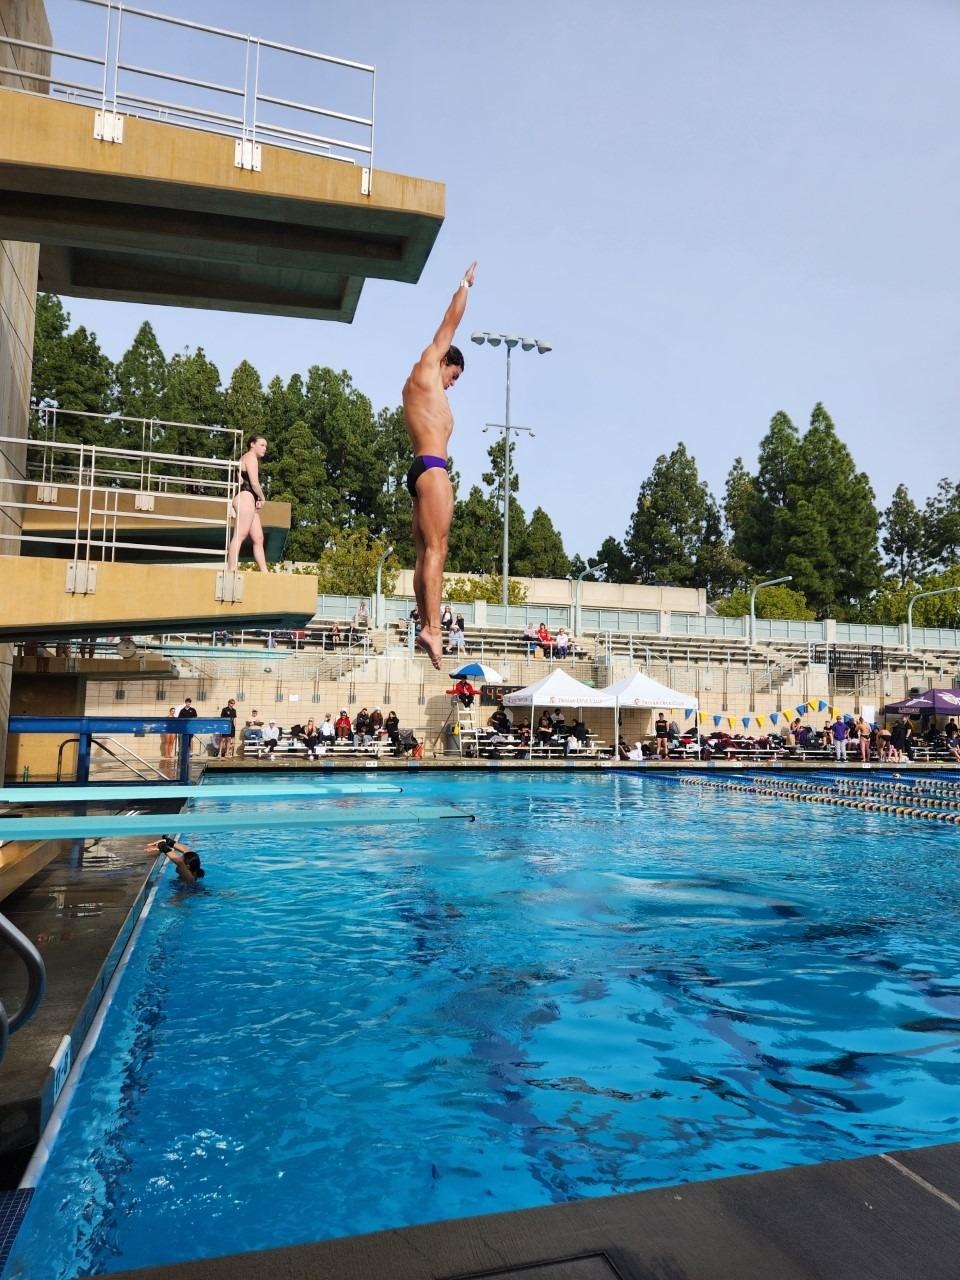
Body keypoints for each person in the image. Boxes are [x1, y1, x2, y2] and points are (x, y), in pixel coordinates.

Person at [402, 259, 477, 668]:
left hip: (418, 470)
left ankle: (425, 623)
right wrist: (464, 286)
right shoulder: (430, 365)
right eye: (456, 375)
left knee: (424, 553)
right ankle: (432, 627)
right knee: (438, 549)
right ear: (446, 361)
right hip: (432, 469)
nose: (453, 382)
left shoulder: (416, 387)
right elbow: (450, 322)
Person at [227, 434, 268, 572]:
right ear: (252, 444)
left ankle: (265, 571)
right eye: (262, 445)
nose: (264, 449)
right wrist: (262, 498)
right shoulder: (250, 458)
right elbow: (255, 483)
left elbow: (241, 480)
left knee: (258, 537)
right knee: (240, 535)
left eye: (266, 446)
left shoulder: (245, 458)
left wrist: (257, 499)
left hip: (248, 498)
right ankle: (232, 568)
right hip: (245, 497)